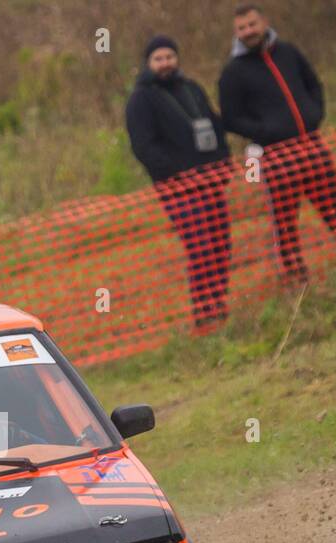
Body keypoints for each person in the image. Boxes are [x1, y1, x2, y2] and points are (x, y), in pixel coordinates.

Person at [218, 4, 336, 284]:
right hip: (277, 157)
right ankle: (294, 278)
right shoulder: (233, 73)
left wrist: (313, 114)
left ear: (264, 22)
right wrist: (266, 132)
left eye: (252, 25)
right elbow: (231, 119)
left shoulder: (288, 53)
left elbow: (314, 84)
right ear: (236, 33)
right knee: (285, 222)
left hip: (311, 145)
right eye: (242, 28)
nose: (248, 32)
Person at [126, 35, 233, 333]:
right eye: (158, 59)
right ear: (148, 64)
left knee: (221, 245)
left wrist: (224, 163)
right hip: (178, 190)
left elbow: (215, 126)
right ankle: (204, 315)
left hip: (211, 183)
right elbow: (144, 148)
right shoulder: (140, 100)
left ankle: (219, 307)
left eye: (169, 57)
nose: (165, 64)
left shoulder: (192, 89)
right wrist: (179, 175)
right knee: (200, 248)